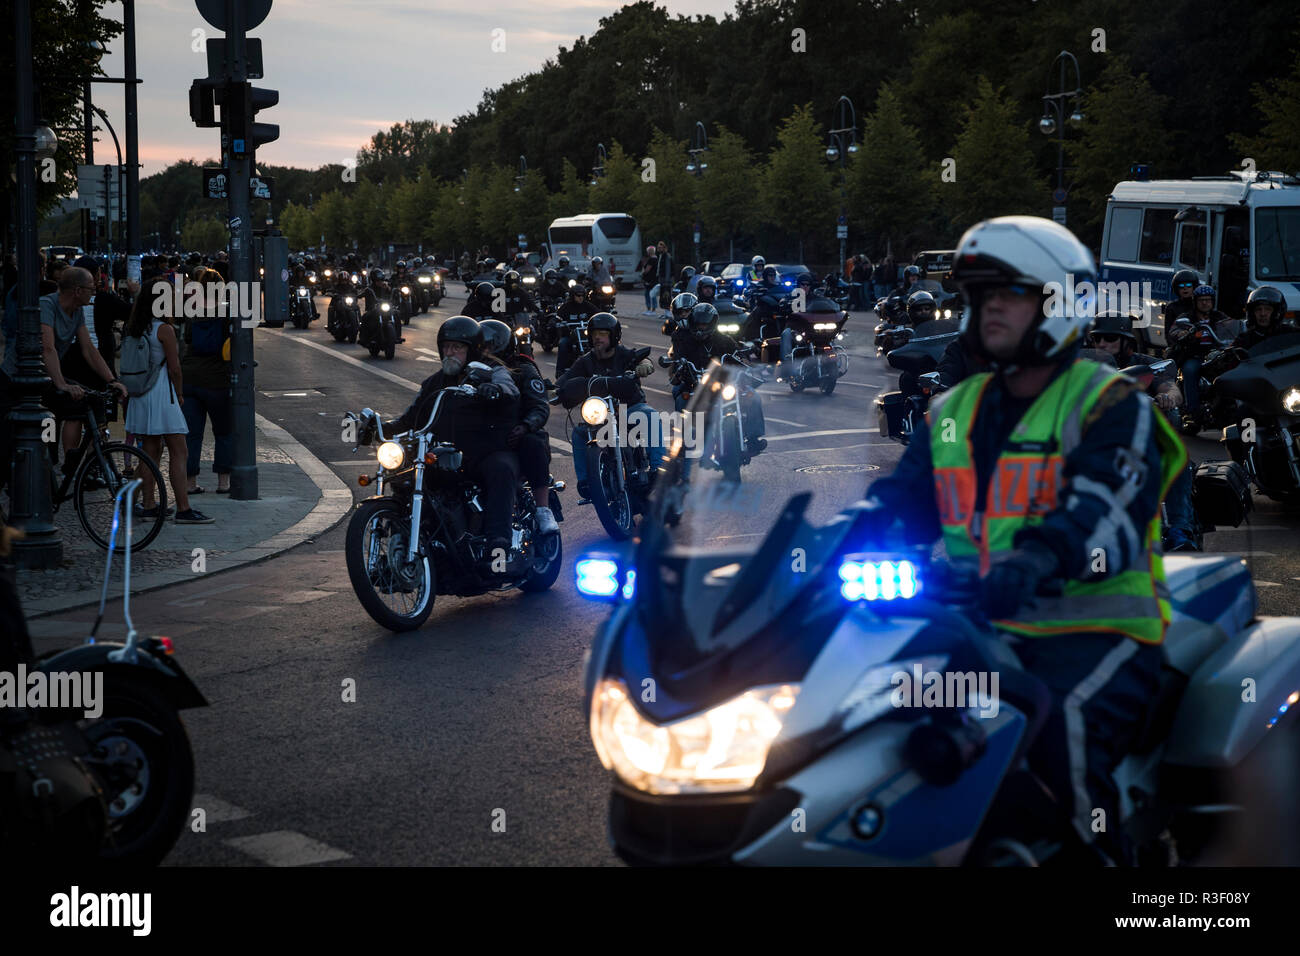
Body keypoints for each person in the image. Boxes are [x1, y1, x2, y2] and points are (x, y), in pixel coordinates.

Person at [859, 215, 1186, 866]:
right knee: (872, 718)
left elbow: (1104, 508)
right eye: (982, 296)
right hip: (974, 631)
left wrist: (1038, 558)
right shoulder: (952, 411)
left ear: (1061, 303)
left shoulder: (1111, 405)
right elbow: (896, 505)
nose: (990, 309)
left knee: (1057, 729)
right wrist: (834, 546)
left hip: (1093, 638)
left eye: (1009, 293)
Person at [384, 316, 522, 574]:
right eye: (446, 347)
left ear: (471, 349)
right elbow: (411, 418)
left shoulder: (490, 370)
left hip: (487, 451)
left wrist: (494, 390)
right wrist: (380, 427)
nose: (449, 353)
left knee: (501, 469)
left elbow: (508, 387)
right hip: (446, 454)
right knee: (407, 476)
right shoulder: (434, 383)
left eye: (456, 348)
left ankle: (498, 544)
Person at [1, 266, 127, 483]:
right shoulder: (47, 306)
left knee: (93, 398)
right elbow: (47, 349)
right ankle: (38, 469)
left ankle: (75, 461)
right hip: (18, 380)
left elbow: (89, 349)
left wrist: (112, 380)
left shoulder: (77, 312)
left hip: (45, 377)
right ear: (77, 290)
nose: (95, 291)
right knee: (16, 439)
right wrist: (62, 384)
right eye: (91, 288)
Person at [1088, 311, 1197, 552]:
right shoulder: (1085, 368)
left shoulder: (1145, 364)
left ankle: (1179, 529)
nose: (1102, 344)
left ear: (1126, 341)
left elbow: (1171, 387)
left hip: (1140, 438)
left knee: (1176, 460)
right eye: (1097, 339)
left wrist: (1167, 396)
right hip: (1095, 439)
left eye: (1109, 338)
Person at [123, 282, 212, 524]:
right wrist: (180, 394)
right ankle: (183, 508)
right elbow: (175, 368)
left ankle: (147, 504)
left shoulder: (135, 326)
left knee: (150, 451)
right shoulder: (164, 329)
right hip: (162, 393)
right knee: (179, 450)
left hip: (141, 393)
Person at [557, 312, 663, 501]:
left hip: (630, 408)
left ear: (613, 335)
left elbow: (641, 359)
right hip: (599, 415)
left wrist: (645, 365)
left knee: (650, 417)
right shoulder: (585, 361)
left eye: (603, 333)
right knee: (579, 434)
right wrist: (552, 389)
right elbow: (565, 381)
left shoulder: (623, 354)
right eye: (594, 334)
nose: (597, 337)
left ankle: (657, 468)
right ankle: (586, 483)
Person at [479, 318, 558, 534]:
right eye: (482, 346)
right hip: (486, 436)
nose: (485, 351)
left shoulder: (524, 370)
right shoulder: (473, 370)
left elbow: (540, 407)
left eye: (489, 347)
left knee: (532, 442)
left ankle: (543, 509)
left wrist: (524, 426)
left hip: (518, 435)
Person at [666, 303, 767, 455]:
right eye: (698, 324)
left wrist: (746, 360)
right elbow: (677, 360)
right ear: (692, 322)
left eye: (705, 324)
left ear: (712, 323)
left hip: (722, 383)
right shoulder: (685, 340)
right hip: (695, 383)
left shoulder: (722, 339)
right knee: (681, 399)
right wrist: (679, 369)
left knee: (753, 396)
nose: (701, 328)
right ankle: (684, 441)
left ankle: (753, 438)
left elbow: (737, 354)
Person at [180, 268, 233, 496]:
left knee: (192, 434)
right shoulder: (227, 312)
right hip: (217, 380)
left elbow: (185, 340)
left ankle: (190, 483)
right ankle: (223, 482)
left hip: (190, 379)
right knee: (223, 432)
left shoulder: (191, 310)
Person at [1167, 283, 1238, 429]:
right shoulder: (1187, 317)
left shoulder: (1219, 317)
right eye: (1201, 300)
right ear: (1195, 302)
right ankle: (1192, 411)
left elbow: (1233, 328)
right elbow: (1174, 330)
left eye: (1208, 300)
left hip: (1217, 354)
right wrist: (1181, 333)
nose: (1205, 303)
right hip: (1195, 355)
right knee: (1190, 370)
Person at [554, 281, 597, 377]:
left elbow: (598, 314)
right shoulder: (566, 307)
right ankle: (560, 371)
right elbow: (557, 317)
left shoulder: (587, 306)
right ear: (573, 296)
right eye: (578, 295)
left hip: (585, 334)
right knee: (562, 344)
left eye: (582, 295)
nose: (580, 297)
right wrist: (557, 322)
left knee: (600, 343)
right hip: (570, 335)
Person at [638, 245, 658, 314]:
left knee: (648, 294)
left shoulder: (651, 259)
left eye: (648, 251)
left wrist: (642, 273)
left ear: (649, 252)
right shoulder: (657, 258)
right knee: (653, 294)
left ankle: (649, 309)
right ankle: (653, 309)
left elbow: (647, 270)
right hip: (655, 279)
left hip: (649, 280)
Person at [655, 241, 674, 309]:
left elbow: (668, 269)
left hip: (666, 280)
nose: (659, 249)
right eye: (658, 248)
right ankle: (666, 311)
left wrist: (667, 280)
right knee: (663, 295)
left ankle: (668, 311)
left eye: (660, 248)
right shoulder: (661, 256)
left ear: (664, 248)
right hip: (662, 279)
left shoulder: (666, 256)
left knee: (666, 295)